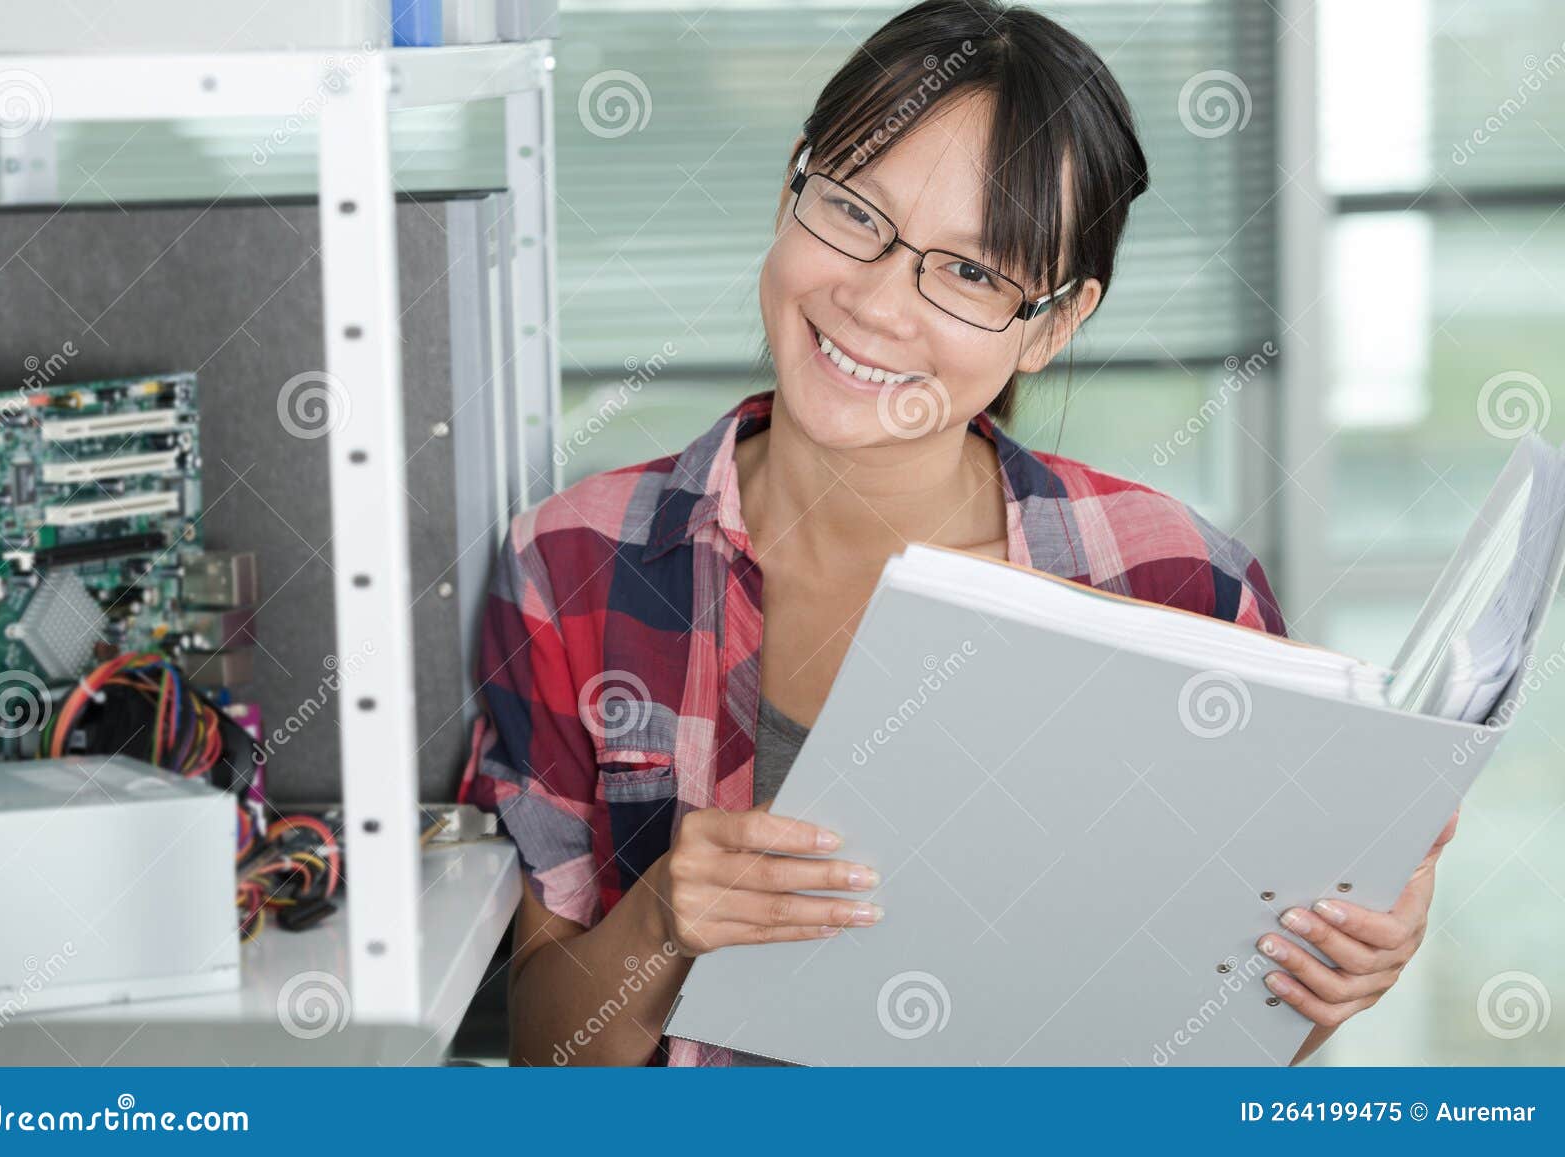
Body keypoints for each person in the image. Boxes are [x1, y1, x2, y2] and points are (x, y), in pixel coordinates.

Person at [461, 0, 1458, 1067]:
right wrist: (659, 921)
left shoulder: (1180, 586)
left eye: (973, 272)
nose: (880, 303)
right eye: (852, 212)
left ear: (1054, 325)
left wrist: (1330, 973)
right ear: (791, 185)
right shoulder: (574, 562)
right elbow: (541, 1051)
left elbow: (1224, 1044)